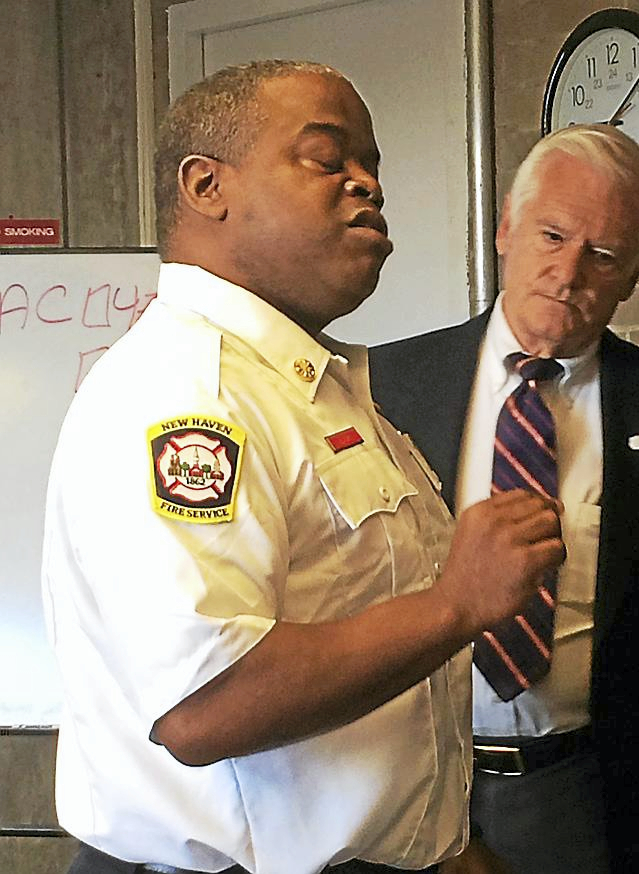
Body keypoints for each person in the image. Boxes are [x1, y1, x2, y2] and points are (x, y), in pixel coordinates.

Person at [42, 60, 565, 874]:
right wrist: (456, 604)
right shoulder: (189, 393)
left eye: (374, 167)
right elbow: (205, 702)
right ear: (206, 187)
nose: (368, 185)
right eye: (329, 158)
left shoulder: (316, 390)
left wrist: (444, 852)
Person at [370, 124, 639, 874]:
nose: (568, 271)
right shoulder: (383, 388)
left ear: (633, 276)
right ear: (507, 225)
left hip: (594, 800)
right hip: (407, 785)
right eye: (551, 234)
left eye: (602, 254)